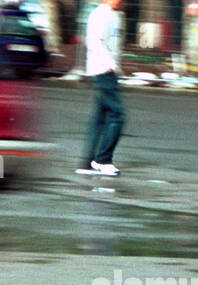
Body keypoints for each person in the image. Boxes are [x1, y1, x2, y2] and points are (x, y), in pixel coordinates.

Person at [77, 0, 125, 176]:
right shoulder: (100, 15)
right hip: (103, 70)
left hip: (107, 71)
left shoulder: (114, 15)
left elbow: (112, 44)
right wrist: (110, 65)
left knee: (99, 119)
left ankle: (87, 162)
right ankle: (103, 160)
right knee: (118, 116)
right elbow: (96, 42)